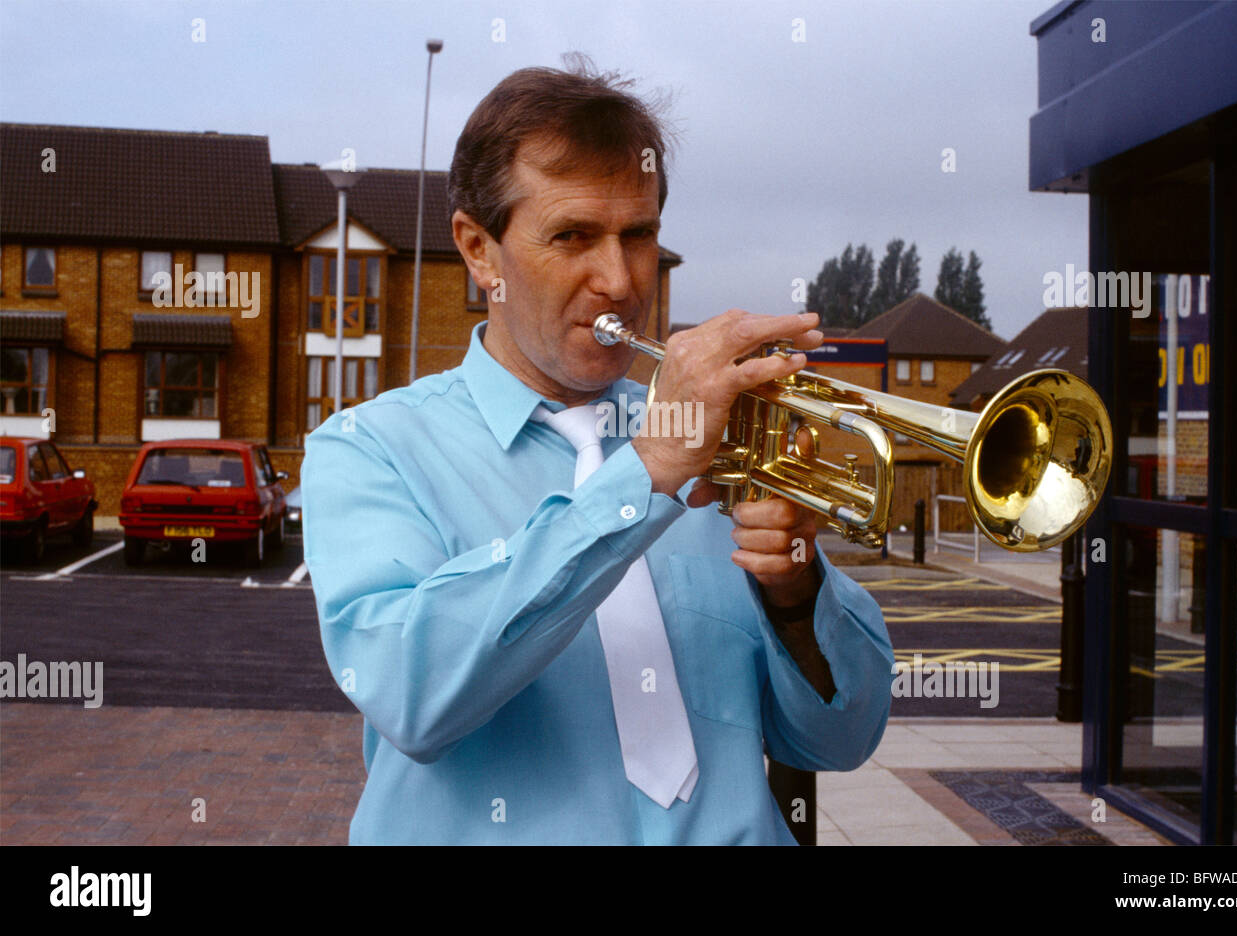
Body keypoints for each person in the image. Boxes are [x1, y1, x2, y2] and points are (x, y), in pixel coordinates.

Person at [301, 59, 894, 845]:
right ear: (480, 251)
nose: (618, 279)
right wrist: (643, 476)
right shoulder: (369, 449)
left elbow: (840, 743)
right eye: (573, 236)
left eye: (639, 235)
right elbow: (412, 699)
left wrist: (792, 594)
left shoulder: (712, 445)